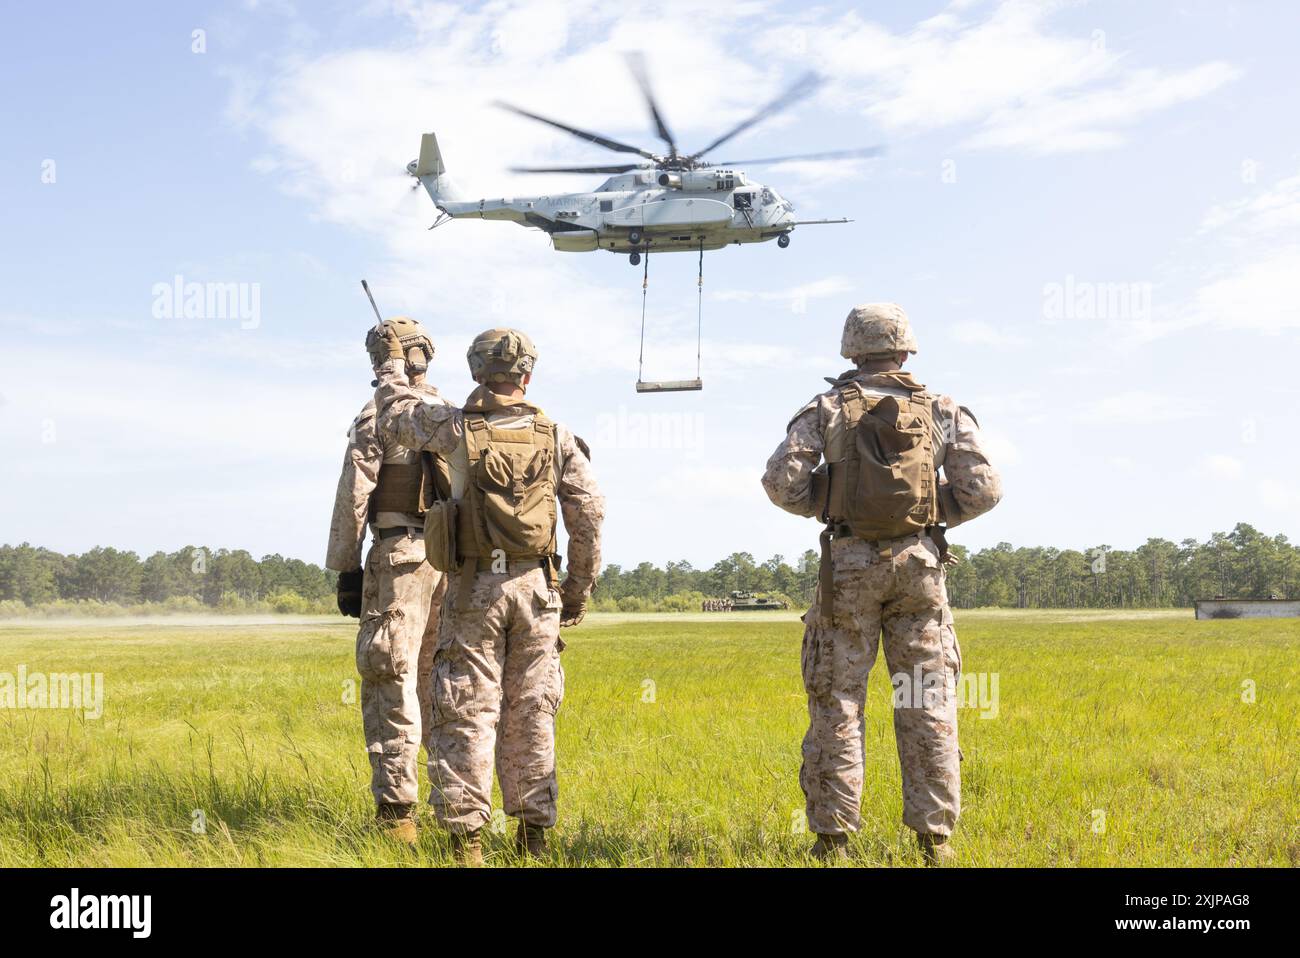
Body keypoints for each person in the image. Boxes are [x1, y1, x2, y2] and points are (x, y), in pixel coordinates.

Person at [761, 303, 1002, 865]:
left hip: (847, 570)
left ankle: (833, 839)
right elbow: (984, 489)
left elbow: (781, 483)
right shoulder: (943, 409)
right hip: (920, 568)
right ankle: (934, 840)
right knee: (927, 699)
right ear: (905, 349)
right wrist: (923, 514)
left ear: (851, 349)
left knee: (839, 700)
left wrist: (837, 503)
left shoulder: (826, 408)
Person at [372, 325, 604, 865]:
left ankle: (466, 842)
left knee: (466, 709)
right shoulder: (556, 435)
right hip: (536, 587)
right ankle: (533, 836)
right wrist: (577, 589)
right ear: (528, 373)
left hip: (476, 587)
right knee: (532, 710)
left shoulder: (452, 428)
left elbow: (393, 411)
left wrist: (390, 361)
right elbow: (589, 513)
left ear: (477, 372)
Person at [326, 317, 450, 845]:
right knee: (446, 683)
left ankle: (397, 816)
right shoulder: (452, 410)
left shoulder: (376, 412)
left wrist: (347, 568)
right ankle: (459, 812)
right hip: (455, 562)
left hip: (399, 554)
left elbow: (356, 489)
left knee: (389, 679)